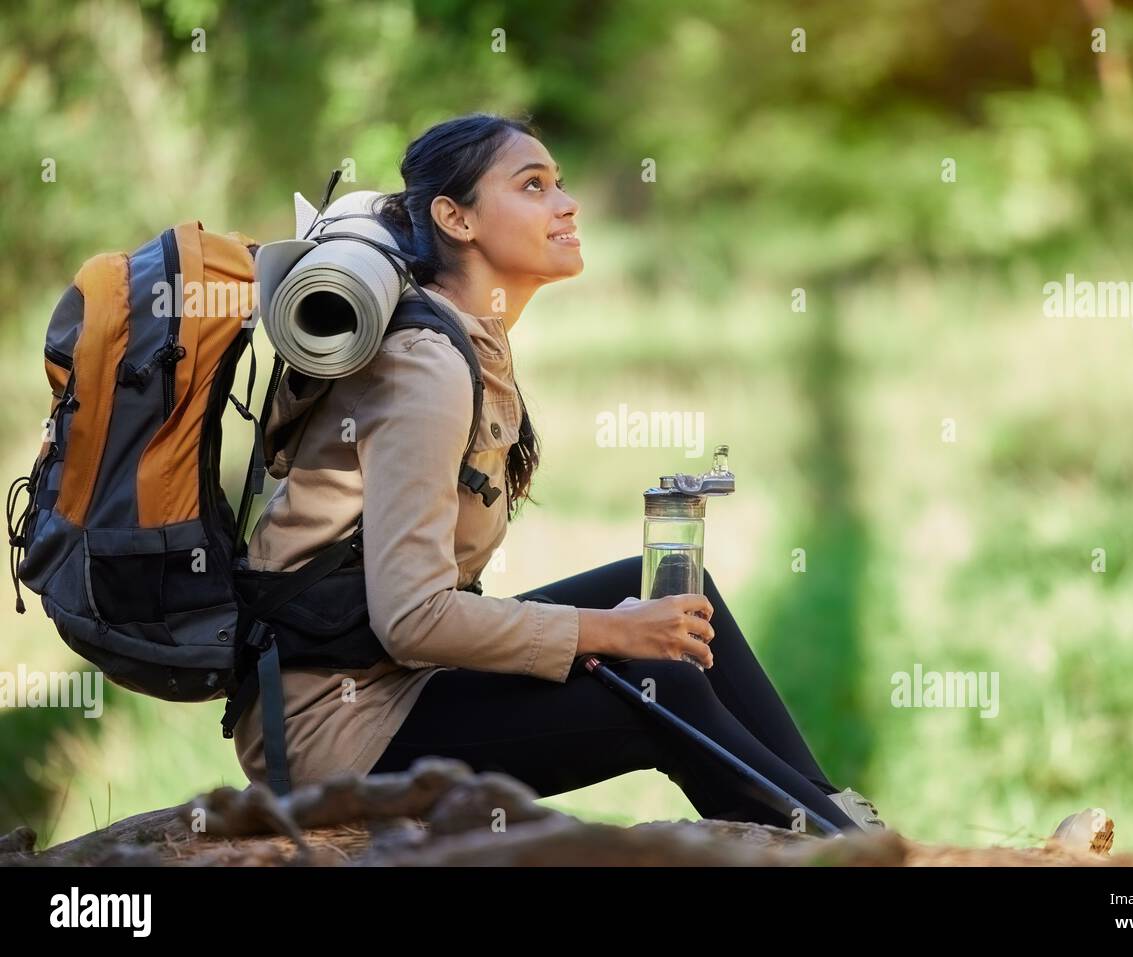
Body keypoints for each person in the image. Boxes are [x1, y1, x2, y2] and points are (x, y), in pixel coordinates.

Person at [233, 111, 884, 836]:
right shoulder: (426, 368)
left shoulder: (466, 336)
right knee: (656, 679)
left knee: (665, 590)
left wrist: (616, 622)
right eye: (533, 185)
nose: (566, 203)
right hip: (338, 728)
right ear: (456, 218)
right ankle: (834, 849)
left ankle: (837, 822)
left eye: (560, 183)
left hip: (395, 683)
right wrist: (608, 633)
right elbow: (411, 617)